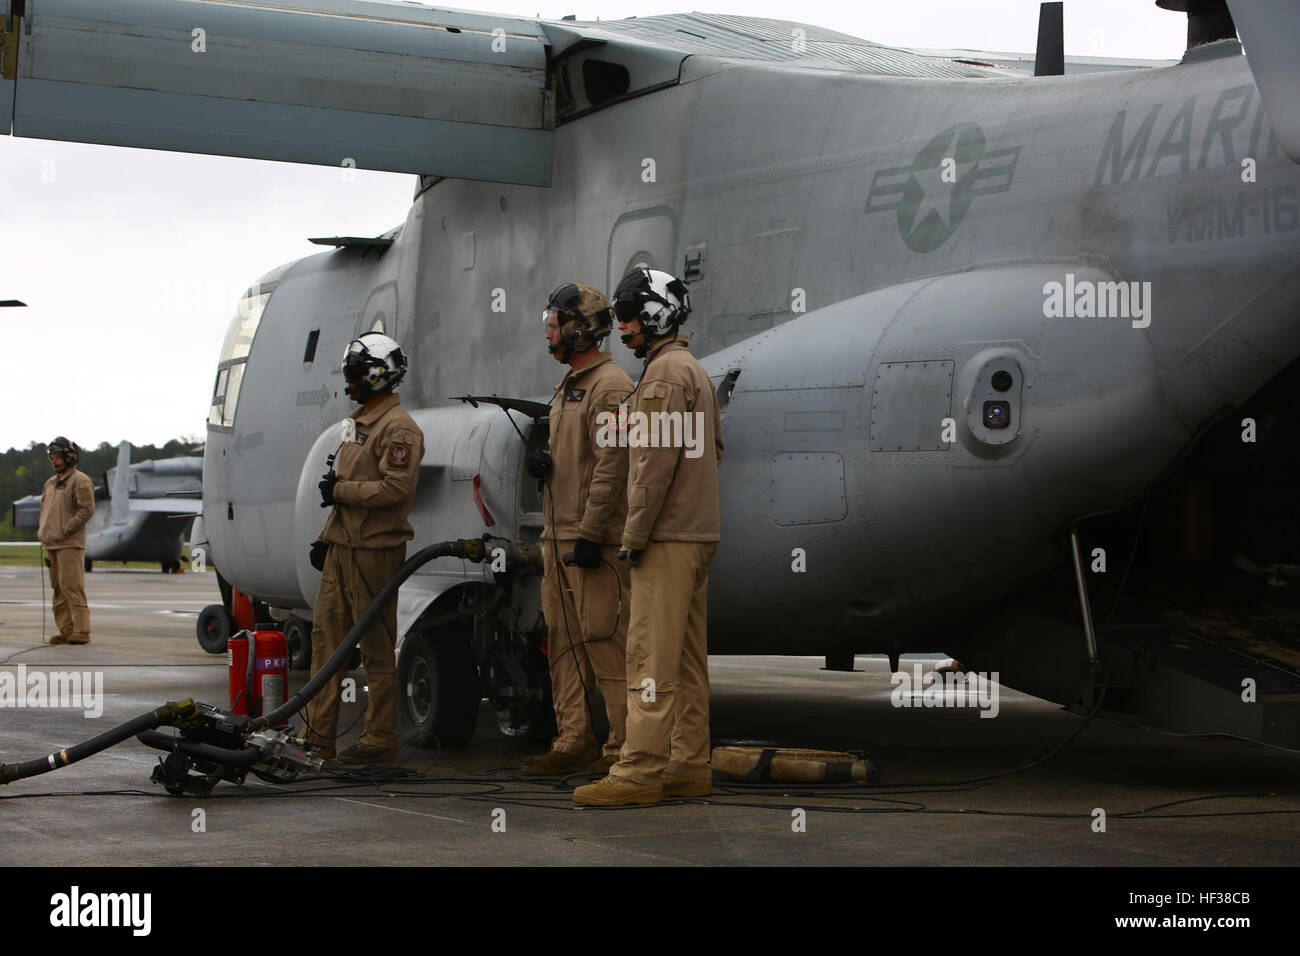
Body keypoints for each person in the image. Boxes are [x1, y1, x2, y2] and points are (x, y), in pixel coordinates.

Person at [573, 268, 723, 807]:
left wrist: (633, 537)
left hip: (665, 538)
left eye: (630, 316)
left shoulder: (662, 378)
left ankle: (638, 771)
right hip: (695, 534)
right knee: (685, 659)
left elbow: (651, 468)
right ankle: (687, 765)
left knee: (648, 658)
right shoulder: (692, 371)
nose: (624, 328)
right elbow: (710, 452)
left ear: (656, 314)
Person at [522, 282, 633, 775]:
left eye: (553, 325)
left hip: (591, 542)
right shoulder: (569, 386)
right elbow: (585, 458)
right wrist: (550, 463)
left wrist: (590, 534)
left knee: (606, 642)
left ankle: (626, 750)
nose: (548, 334)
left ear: (579, 328)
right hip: (557, 538)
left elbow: (613, 465)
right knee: (563, 643)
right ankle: (574, 741)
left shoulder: (611, 386)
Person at [302, 333, 424, 764]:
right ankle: (318, 737)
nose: (348, 383)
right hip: (342, 547)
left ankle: (380, 739)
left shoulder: (399, 429)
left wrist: (342, 491)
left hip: (375, 552)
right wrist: (324, 538)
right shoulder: (357, 424)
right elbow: (340, 493)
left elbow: (395, 490)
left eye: (354, 375)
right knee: (326, 644)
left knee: (374, 646)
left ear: (377, 376)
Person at [37, 437, 95, 645]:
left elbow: (87, 509)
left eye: (58, 457)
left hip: (70, 543)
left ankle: (82, 630)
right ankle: (66, 629)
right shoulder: (50, 484)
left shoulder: (80, 480)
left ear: (69, 458)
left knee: (72, 586)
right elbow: (45, 510)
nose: (54, 461)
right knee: (58, 588)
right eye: (52, 458)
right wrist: (43, 531)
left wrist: (66, 529)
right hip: (51, 542)